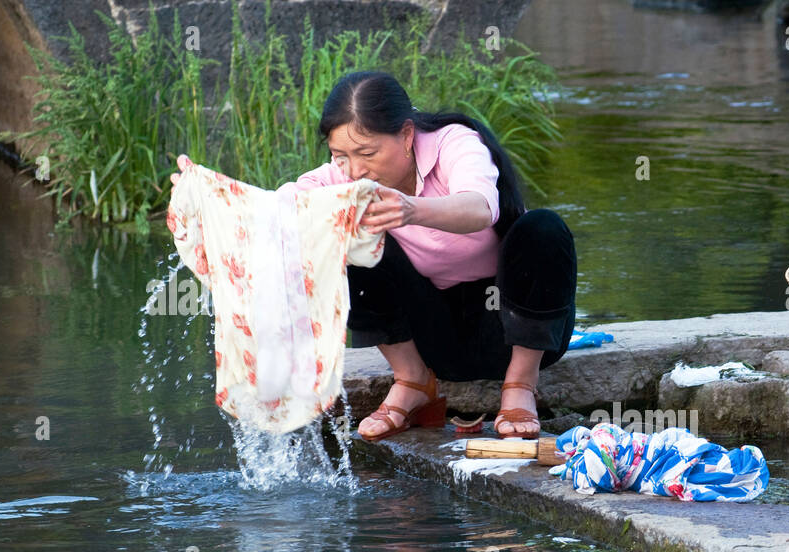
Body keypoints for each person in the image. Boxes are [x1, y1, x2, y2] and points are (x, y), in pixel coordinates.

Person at [171, 70, 577, 440]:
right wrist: (203, 198)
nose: (353, 170)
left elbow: (480, 207)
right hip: (436, 338)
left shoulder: (455, 142)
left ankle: (520, 385)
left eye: (367, 153)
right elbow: (275, 213)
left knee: (543, 228)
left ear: (405, 135)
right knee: (336, 231)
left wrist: (412, 209)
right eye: (340, 155)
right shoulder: (340, 180)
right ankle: (413, 380)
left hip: (514, 327)